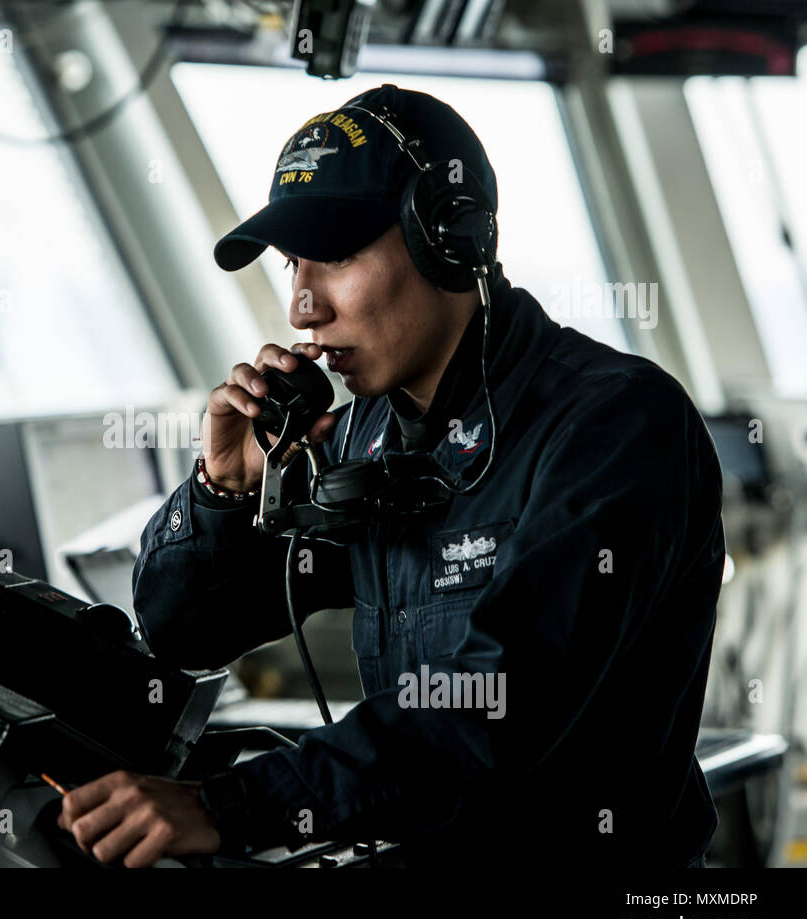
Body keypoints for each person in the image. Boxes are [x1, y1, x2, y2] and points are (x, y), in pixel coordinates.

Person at [56, 84, 724, 869]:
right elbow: (182, 630)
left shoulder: (615, 425)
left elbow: (494, 708)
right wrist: (227, 490)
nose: (303, 305)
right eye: (292, 264)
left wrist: (230, 806)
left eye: (333, 256)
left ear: (448, 239)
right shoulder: (363, 437)